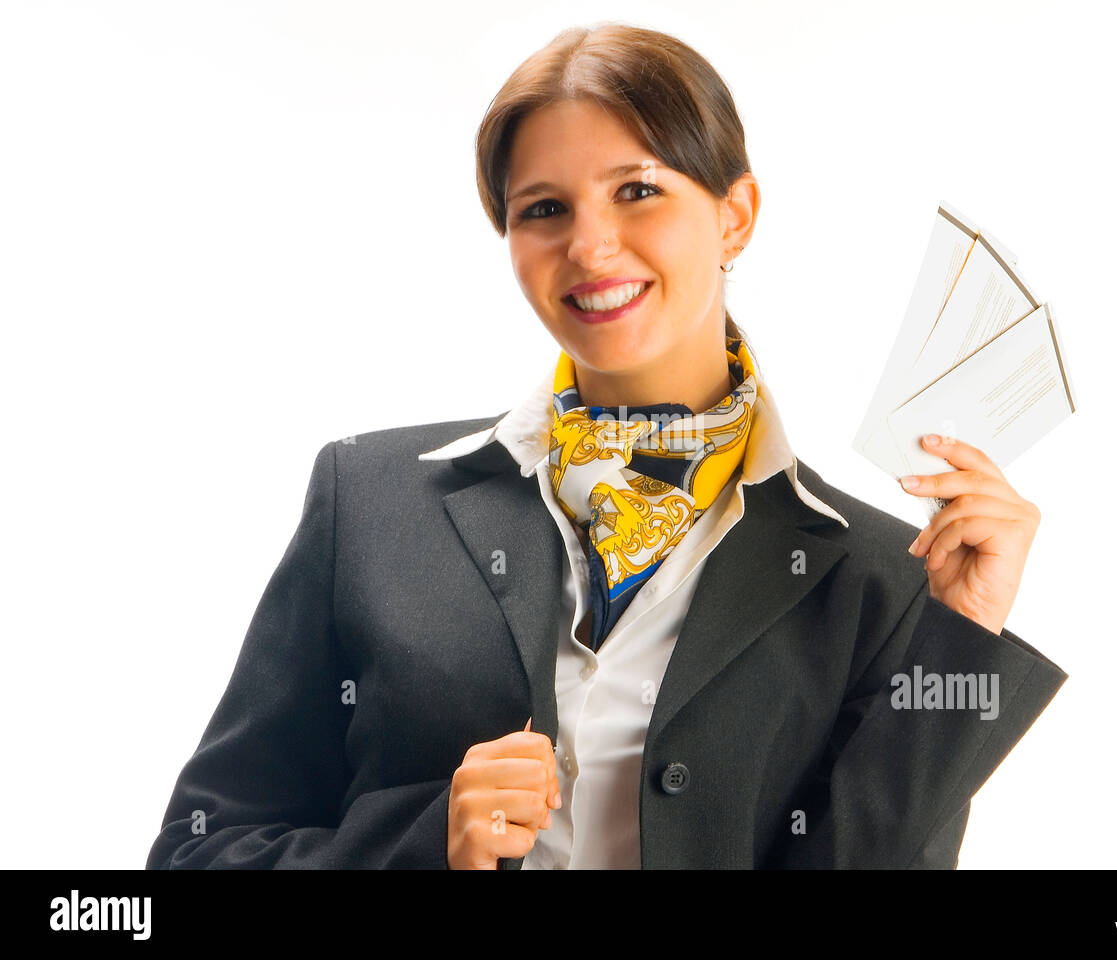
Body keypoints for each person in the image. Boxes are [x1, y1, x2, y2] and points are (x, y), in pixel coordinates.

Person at [146, 22, 1066, 871]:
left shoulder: (877, 576)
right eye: (542, 209)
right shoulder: (371, 503)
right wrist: (427, 843)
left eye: (638, 191)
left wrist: (963, 642)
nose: (590, 246)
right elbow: (198, 851)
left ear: (736, 214)